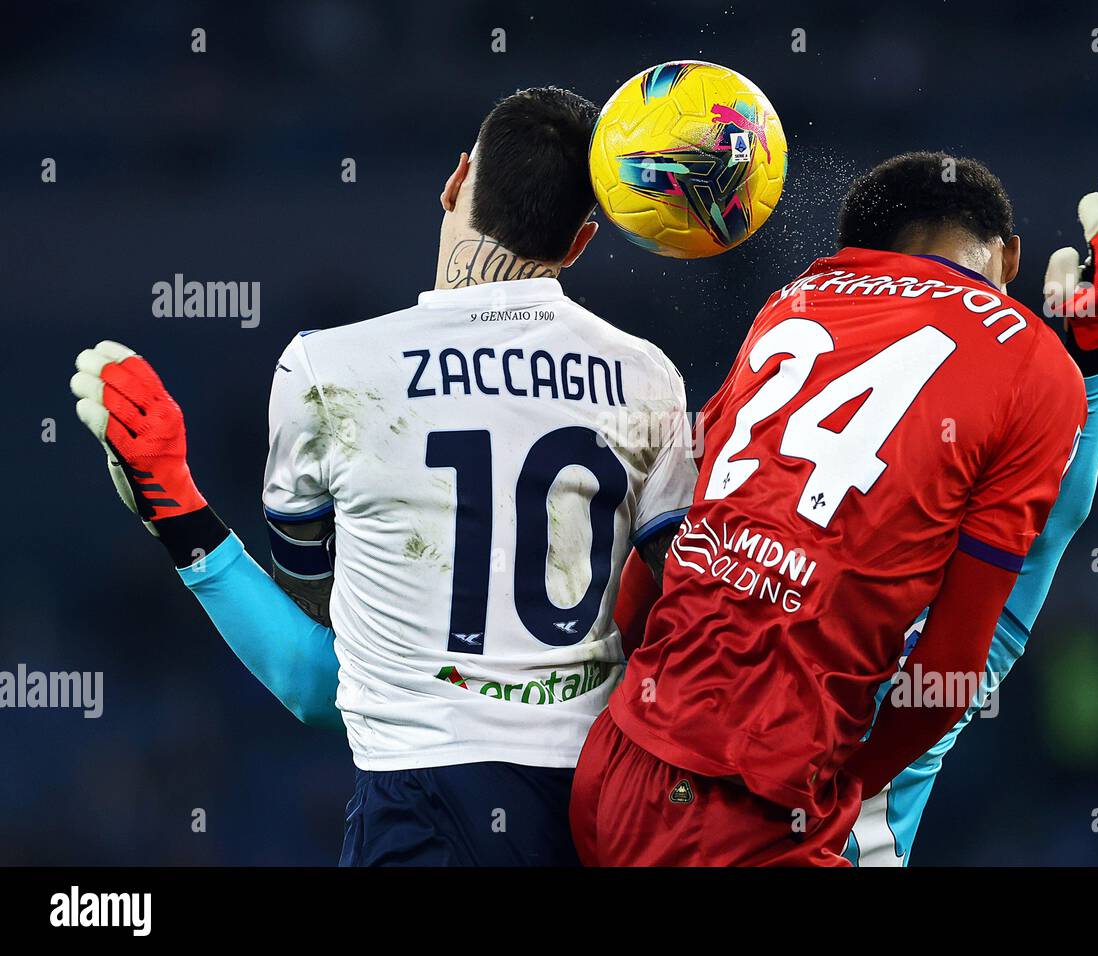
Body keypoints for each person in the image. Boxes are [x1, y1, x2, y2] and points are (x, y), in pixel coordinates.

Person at [68, 87, 696, 867]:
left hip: (418, 807)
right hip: (595, 812)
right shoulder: (650, 380)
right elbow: (683, 618)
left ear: (456, 178)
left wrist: (177, 510)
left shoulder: (327, 369)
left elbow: (316, 669)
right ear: (581, 242)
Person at [570, 152, 1098, 866]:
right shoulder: (1019, 368)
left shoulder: (791, 304)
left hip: (618, 763)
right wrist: (1090, 364)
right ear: (1009, 257)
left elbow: (661, 552)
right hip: (787, 817)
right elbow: (1005, 602)